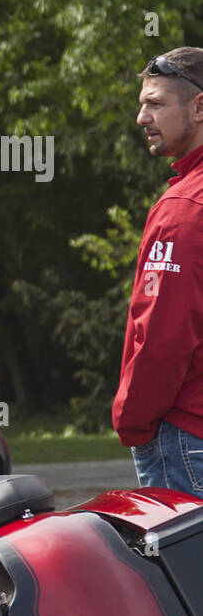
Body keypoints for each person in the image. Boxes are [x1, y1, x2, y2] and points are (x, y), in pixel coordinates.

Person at [114, 47, 203, 496]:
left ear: (199, 107)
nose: (141, 117)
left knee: (182, 568)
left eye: (155, 103)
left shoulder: (183, 209)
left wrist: (132, 420)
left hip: (185, 440)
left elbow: (163, 338)